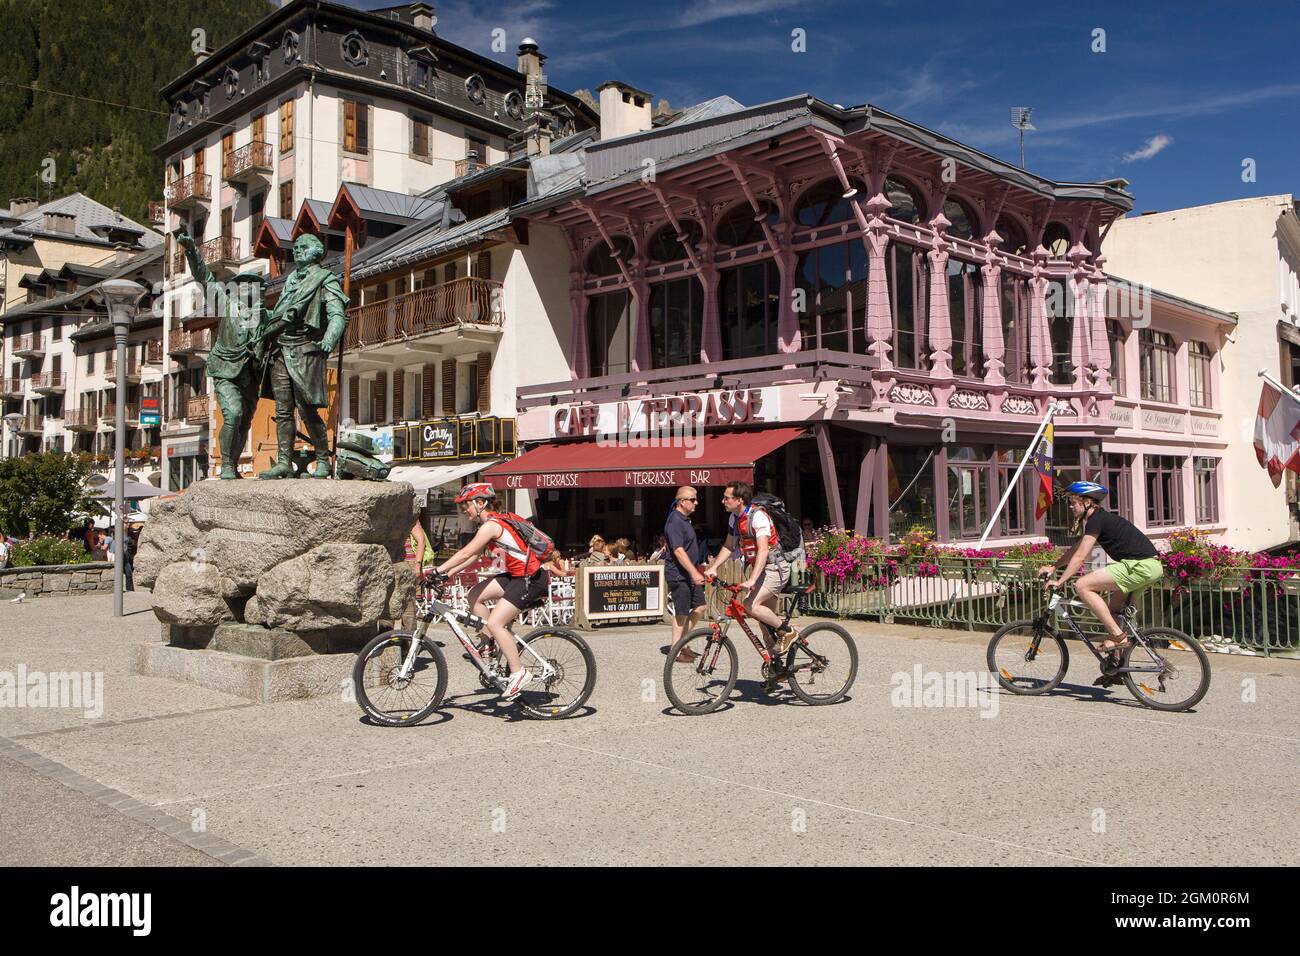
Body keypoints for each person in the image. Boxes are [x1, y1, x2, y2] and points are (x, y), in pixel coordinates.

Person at [432, 483, 548, 699]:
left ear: (480, 503)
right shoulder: (487, 525)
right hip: (516, 576)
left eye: (466, 505)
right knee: (474, 595)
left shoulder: (492, 526)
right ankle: (489, 644)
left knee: (496, 623)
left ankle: (519, 672)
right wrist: (448, 575)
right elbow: (474, 556)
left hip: (531, 578)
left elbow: (466, 552)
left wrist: (437, 570)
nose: (463, 510)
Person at [1037, 480, 1163, 659]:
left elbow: (1080, 557)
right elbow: (1076, 549)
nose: (1071, 507)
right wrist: (1054, 566)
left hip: (1139, 567)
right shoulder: (1099, 520)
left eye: (1074, 502)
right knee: (1114, 610)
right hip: (1151, 566)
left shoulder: (1096, 520)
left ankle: (1118, 636)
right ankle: (1118, 666)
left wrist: (1059, 581)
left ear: (1086, 502)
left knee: (1082, 585)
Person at [701, 481, 799, 654]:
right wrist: (714, 567)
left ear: (739, 500)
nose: (723, 501)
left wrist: (752, 579)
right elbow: (729, 546)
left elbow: (763, 549)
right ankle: (775, 668)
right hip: (762, 570)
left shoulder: (758, 516)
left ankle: (788, 631)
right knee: (765, 623)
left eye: (726, 498)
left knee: (750, 605)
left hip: (775, 568)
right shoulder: (735, 518)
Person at [665, 486, 707, 663]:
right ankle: (676, 649)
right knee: (681, 613)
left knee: (700, 607)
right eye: (693, 499)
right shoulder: (674, 520)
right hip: (679, 574)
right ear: (682, 502)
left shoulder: (685, 520)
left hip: (689, 573)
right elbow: (678, 550)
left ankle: (683, 642)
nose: (696, 502)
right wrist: (693, 572)